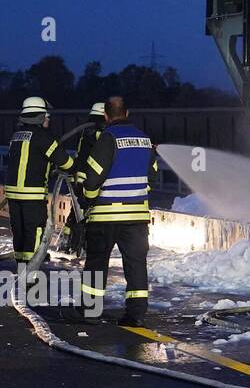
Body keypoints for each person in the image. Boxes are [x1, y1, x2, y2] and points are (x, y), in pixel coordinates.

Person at [78, 97, 157, 326]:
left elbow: (92, 178)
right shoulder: (144, 139)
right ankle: (136, 314)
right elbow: (151, 175)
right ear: (128, 112)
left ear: (105, 115)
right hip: (137, 217)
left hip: (105, 216)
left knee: (96, 262)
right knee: (136, 264)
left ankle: (91, 310)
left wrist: (88, 200)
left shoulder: (107, 138)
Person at [3, 96, 74, 269]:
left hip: (13, 194)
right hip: (32, 195)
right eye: (47, 116)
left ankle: (21, 266)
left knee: (19, 232)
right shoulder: (43, 137)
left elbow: (31, 160)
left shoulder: (17, 135)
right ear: (40, 117)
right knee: (33, 232)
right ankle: (31, 273)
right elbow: (66, 162)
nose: (48, 119)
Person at [68, 101, 106, 256]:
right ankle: (81, 246)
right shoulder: (101, 135)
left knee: (77, 213)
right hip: (91, 181)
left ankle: (71, 243)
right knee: (87, 216)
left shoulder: (87, 133)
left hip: (80, 178)